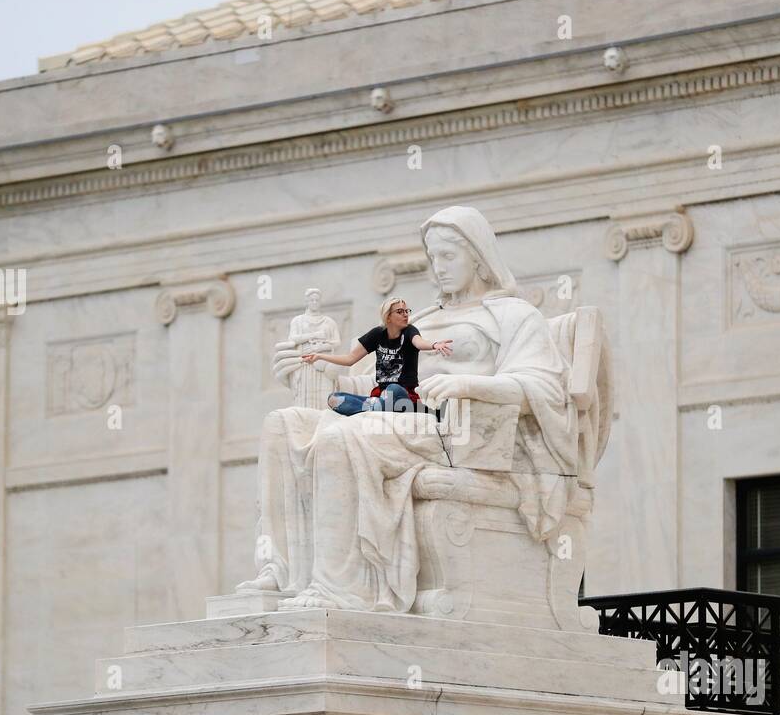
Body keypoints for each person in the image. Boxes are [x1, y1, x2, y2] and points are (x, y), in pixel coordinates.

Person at [238, 206, 578, 612]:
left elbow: (543, 387)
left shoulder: (514, 315)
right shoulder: (423, 320)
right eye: (434, 258)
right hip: (398, 417)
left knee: (342, 437)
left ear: (478, 257)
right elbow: (384, 381)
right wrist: (327, 376)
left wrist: (468, 384)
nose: (439, 269)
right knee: (283, 424)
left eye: (448, 256)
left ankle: (339, 588)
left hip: (459, 433)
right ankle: (285, 570)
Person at [302, 297, 453, 414]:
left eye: (407, 311)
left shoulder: (409, 331)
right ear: (388, 317)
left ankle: (372, 407)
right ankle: (376, 406)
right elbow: (350, 359)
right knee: (334, 398)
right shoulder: (377, 334)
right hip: (380, 395)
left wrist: (434, 345)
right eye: (400, 312)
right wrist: (320, 356)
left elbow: (419, 343)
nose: (405, 315)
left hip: (404, 394)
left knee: (393, 389)